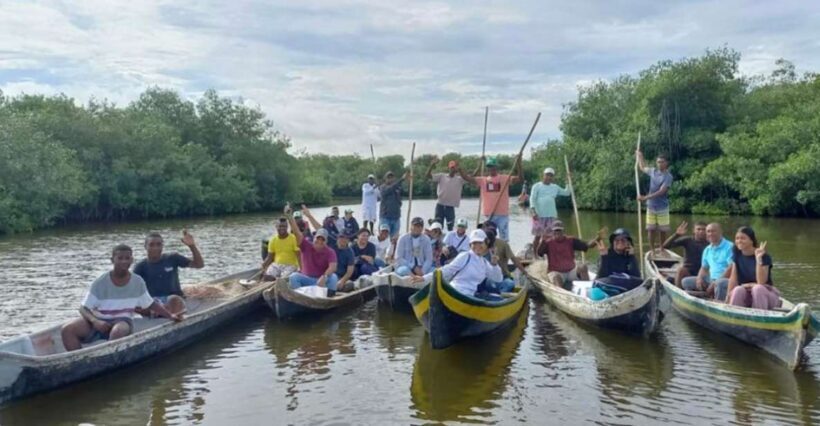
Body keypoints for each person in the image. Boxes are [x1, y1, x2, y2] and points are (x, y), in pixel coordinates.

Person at [62, 245, 182, 351]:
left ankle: (107, 359)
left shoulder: (137, 281)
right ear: (112, 260)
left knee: (118, 331)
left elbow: (150, 304)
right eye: (120, 258)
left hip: (122, 322)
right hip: (98, 321)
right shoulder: (100, 282)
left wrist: (170, 315)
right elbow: (83, 308)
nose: (124, 261)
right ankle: (81, 359)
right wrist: (96, 321)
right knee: (67, 329)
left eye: (127, 258)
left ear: (131, 260)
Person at [411, 229, 503, 300]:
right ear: (470, 244)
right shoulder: (465, 256)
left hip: (469, 296)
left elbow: (498, 279)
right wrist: (424, 278)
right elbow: (447, 269)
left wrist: (494, 264)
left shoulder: (484, 263)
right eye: (474, 243)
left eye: (480, 243)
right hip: (455, 291)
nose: (477, 246)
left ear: (486, 244)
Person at [134, 230, 204, 316]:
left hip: (173, 299)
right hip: (154, 301)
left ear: (162, 246)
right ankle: (160, 312)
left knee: (174, 299)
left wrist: (192, 246)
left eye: (159, 245)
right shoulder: (141, 266)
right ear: (145, 247)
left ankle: (164, 313)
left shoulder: (172, 258)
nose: (155, 248)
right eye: (151, 245)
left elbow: (199, 264)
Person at [288, 206, 340, 296]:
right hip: (307, 279)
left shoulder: (330, 251)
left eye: (322, 240)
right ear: (314, 238)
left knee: (334, 277)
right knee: (293, 277)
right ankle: (300, 297)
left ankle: (329, 298)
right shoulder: (306, 245)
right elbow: (297, 233)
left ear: (326, 241)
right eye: (317, 238)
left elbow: (333, 267)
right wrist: (289, 217)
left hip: (321, 281)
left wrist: (324, 276)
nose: (319, 241)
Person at [727, 227, 780, 310]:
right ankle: (734, 316)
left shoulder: (764, 256)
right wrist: (728, 297)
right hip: (747, 293)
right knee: (737, 290)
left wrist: (758, 259)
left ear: (751, 240)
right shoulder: (737, 255)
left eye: (743, 238)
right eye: (737, 238)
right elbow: (733, 279)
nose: (739, 241)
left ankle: (760, 317)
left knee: (757, 288)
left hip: (765, 294)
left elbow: (761, 282)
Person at [475, 155, 523, 241]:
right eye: (489, 167)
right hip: (488, 214)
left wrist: (519, 163)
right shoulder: (483, 180)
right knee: (488, 238)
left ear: (496, 167)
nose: (491, 169)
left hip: (502, 214)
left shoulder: (504, 178)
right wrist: (479, 164)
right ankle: (490, 254)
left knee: (504, 238)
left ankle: (503, 253)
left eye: (493, 166)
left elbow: (520, 179)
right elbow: (468, 178)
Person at [681, 223, 733, 300]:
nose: (710, 234)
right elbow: (704, 268)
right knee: (686, 282)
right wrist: (699, 278)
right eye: (708, 231)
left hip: (725, 280)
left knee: (719, 284)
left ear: (720, 232)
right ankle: (703, 298)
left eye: (713, 231)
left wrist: (715, 282)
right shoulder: (707, 249)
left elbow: (731, 267)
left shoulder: (729, 246)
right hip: (711, 279)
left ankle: (718, 303)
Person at [535, 220, 593, 289]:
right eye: (555, 231)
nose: (557, 232)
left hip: (571, 271)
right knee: (556, 278)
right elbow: (539, 253)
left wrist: (597, 239)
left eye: (559, 230)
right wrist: (543, 241)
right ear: (552, 232)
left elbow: (586, 245)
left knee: (583, 267)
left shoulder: (571, 240)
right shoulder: (548, 243)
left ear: (563, 231)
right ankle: (562, 295)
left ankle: (588, 289)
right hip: (556, 272)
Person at [636, 151, 673, 254]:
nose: (659, 164)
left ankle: (662, 248)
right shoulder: (653, 171)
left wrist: (646, 197)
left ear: (666, 163)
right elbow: (642, 167)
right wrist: (640, 156)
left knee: (663, 230)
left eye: (661, 162)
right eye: (658, 162)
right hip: (651, 207)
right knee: (650, 229)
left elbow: (662, 191)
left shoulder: (668, 176)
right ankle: (652, 249)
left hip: (662, 207)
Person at [529, 167, 571, 252]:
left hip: (551, 215)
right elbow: (532, 199)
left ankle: (546, 254)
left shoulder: (555, 187)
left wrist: (568, 182)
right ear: (543, 175)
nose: (549, 177)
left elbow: (567, 193)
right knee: (537, 236)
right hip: (539, 215)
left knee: (549, 237)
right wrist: (533, 212)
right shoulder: (537, 186)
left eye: (551, 176)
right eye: (547, 175)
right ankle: (535, 255)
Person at [425, 158, 472, 231]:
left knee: (450, 227)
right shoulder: (442, 176)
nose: (453, 169)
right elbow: (428, 176)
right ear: (449, 168)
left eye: (454, 168)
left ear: (456, 169)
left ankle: (450, 240)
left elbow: (471, 178)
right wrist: (431, 166)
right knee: (437, 226)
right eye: (452, 168)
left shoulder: (460, 179)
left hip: (450, 207)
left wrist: (478, 167)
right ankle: (437, 238)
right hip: (440, 205)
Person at [482, 221, 526, 293]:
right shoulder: (479, 245)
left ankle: (500, 296)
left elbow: (514, 259)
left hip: (503, 277)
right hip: (484, 278)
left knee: (509, 284)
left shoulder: (502, 244)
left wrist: (525, 272)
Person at [662, 221, 709, 287]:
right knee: (681, 270)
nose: (701, 231)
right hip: (688, 271)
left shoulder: (710, 243)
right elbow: (665, 246)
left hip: (703, 272)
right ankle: (678, 290)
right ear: (694, 230)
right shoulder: (688, 240)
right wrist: (676, 235)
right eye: (698, 229)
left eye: (703, 229)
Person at [379, 171, 408, 237]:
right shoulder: (382, 187)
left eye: (392, 177)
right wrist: (401, 179)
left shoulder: (398, 188)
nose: (390, 179)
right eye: (388, 177)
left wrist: (408, 182)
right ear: (385, 179)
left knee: (394, 239)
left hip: (396, 217)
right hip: (385, 217)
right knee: (384, 237)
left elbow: (405, 193)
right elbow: (389, 189)